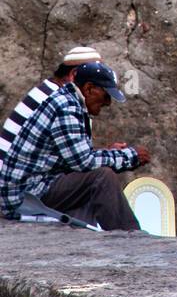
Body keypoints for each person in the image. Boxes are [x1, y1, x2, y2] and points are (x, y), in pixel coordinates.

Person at [0, 59, 150, 230]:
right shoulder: (67, 107)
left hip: (31, 188)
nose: (108, 103)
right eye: (106, 95)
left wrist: (109, 153)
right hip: (24, 196)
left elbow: (74, 157)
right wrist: (131, 156)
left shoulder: (69, 101)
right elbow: (83, 162)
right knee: (102, 178)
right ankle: (130, 237)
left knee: (96, 176)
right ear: (89, 88)